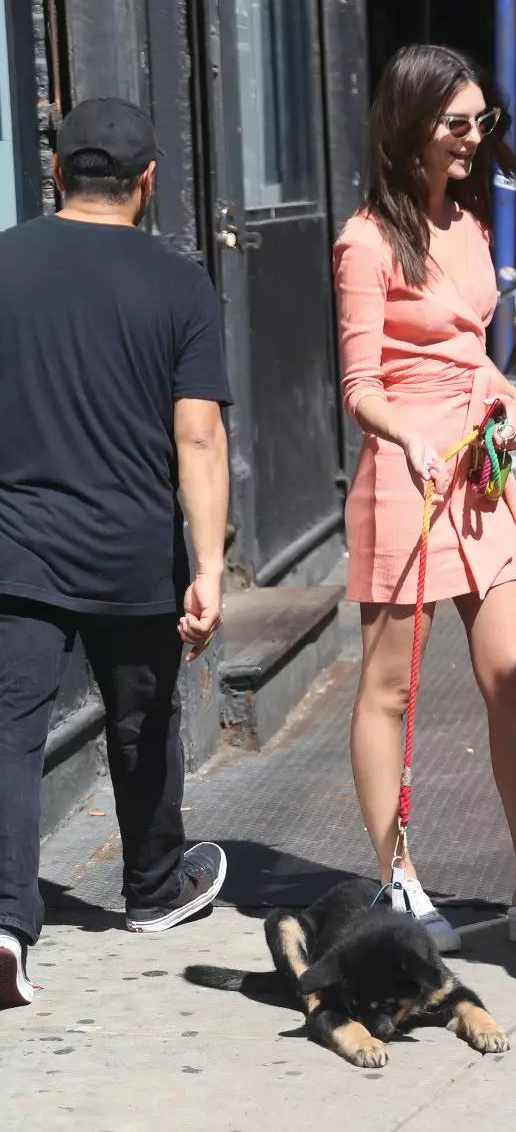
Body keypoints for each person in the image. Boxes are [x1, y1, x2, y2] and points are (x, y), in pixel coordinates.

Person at [333, 44, 516, 957]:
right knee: (389, 690)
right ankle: (397, 879)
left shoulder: (472, 227)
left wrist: (510, 391)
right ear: (409, 125)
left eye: (482, 122)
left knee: (508, 679)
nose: (474, 139)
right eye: (458, 123)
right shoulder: (365, 240)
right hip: (407, 480)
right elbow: (360, 381)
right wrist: (404, 433)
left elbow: (467, 352)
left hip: (480, 482)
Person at [0, 98, 232, 1008]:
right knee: (143, 720)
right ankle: (153, 887)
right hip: (135, 550)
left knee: (10, 734)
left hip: (16, 546)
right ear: (147, 182)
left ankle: (8, 922)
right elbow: (201, 439)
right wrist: (208, 564)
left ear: (56, 175)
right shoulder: (181, 286)